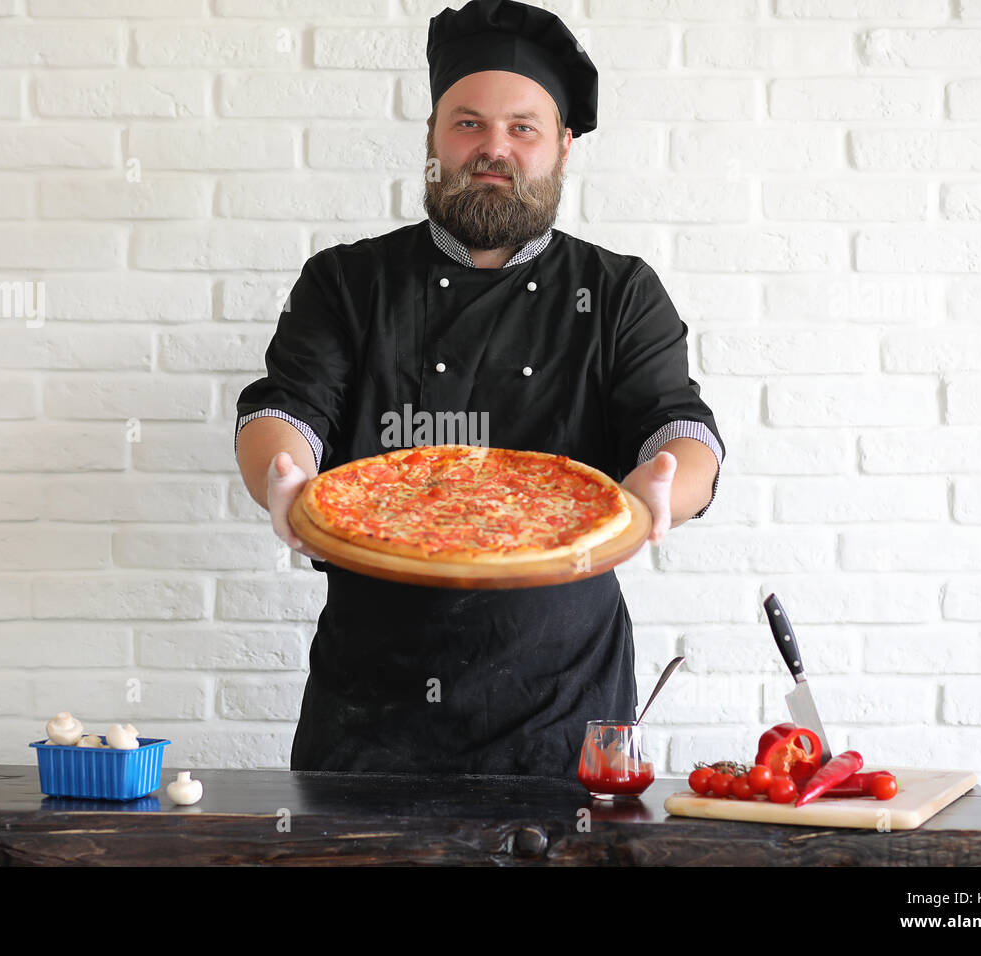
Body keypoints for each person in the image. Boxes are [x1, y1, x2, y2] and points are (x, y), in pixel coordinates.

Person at [234, 0, 725, 778]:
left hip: (563, 696)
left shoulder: (620, 290)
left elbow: (678, 429)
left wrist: (664, 489)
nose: (492, 148)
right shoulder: (347, 281)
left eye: (522, 128)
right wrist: (281, 475)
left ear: (563, 146)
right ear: (432, 136)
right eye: (467, 123)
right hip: (372, 701)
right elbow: (284, 409)